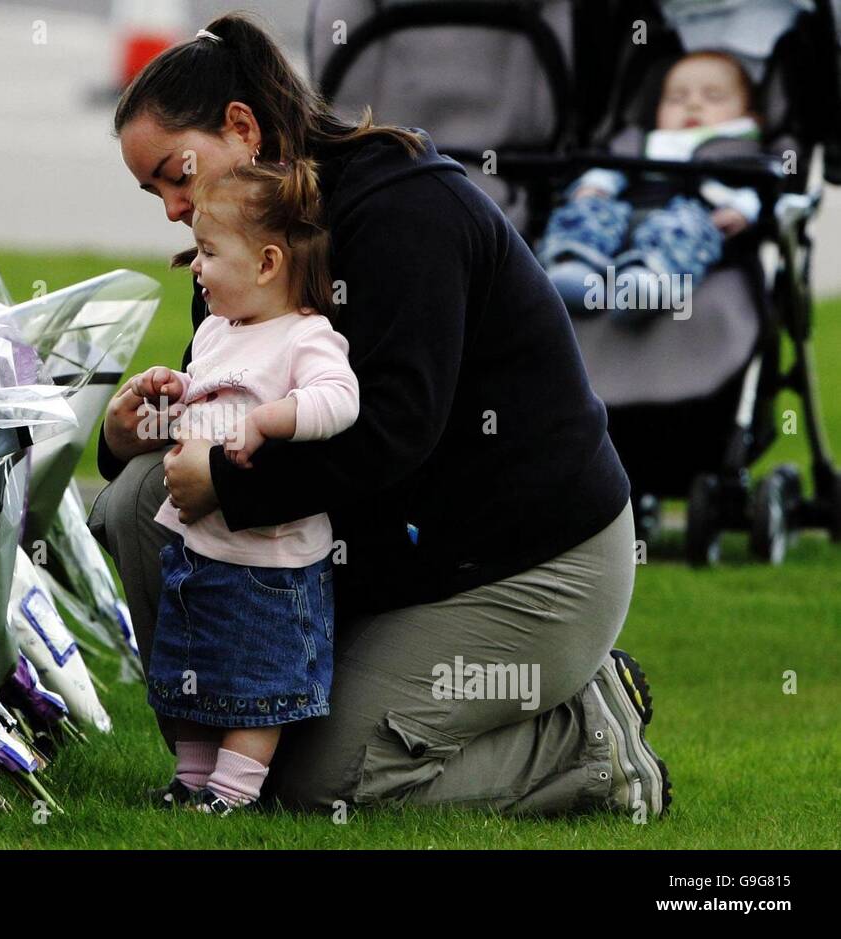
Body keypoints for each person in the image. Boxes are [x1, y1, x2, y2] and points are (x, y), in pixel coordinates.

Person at [88, 13, 671, 819]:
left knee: (316, 783)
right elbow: (224, 409)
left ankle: (589, 737)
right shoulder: (237, 234)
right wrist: (130, 433)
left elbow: (396, 430)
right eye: (155, 190)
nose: (171, 208)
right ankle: (214, 771)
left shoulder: (406, 212)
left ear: (241, 127)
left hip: (525, 562)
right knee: (134, 498)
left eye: (173, 176)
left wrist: (229, 481)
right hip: (393, 544)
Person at [129, 158, 359, 815]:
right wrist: (170, 398)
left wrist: (271, 418)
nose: (194, 266)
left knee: (258, 680)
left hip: (270, 562)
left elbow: (339, 401)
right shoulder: (214, 329)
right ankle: (191, 779)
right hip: (199, 550)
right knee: (194, 674)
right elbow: (203, 403)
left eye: (207, 251)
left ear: (266, 263)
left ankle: (232, 792)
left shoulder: (305, 336)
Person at [539, 50, 762, 324]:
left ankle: (649, 279)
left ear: (749, 116)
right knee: (589, 208)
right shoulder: (642, 142)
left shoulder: (737, 150)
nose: (692, 105)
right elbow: (610, 169)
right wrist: (594, 186)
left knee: (689, 227)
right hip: (622, 212)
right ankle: (574, 262)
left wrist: (741, 211)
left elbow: (749, 193)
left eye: (712, 97)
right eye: (676, 99)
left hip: (685, 218)